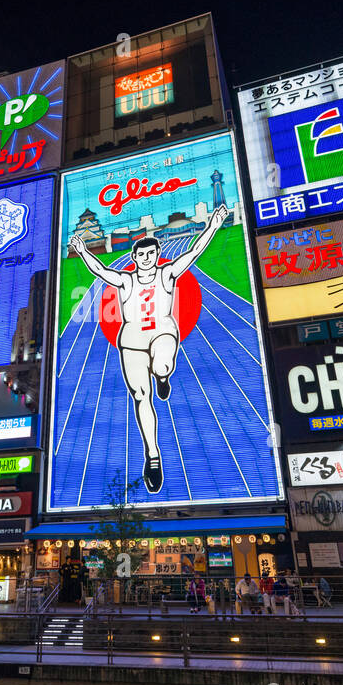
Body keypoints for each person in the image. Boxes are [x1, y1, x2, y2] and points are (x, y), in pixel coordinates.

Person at [67, 203, 231, 493]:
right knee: (142, 397)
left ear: (157, 255)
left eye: (151, 253)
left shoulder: (166, 274)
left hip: (163, 331)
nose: (146, 258)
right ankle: (152, 456)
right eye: (141, 254)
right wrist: (81, 250)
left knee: (162, 365)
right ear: (134, 257)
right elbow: (100, 270)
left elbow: (193, 253)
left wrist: (214, 224)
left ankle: (163, 376)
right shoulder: (126, 280)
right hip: (131, 341)